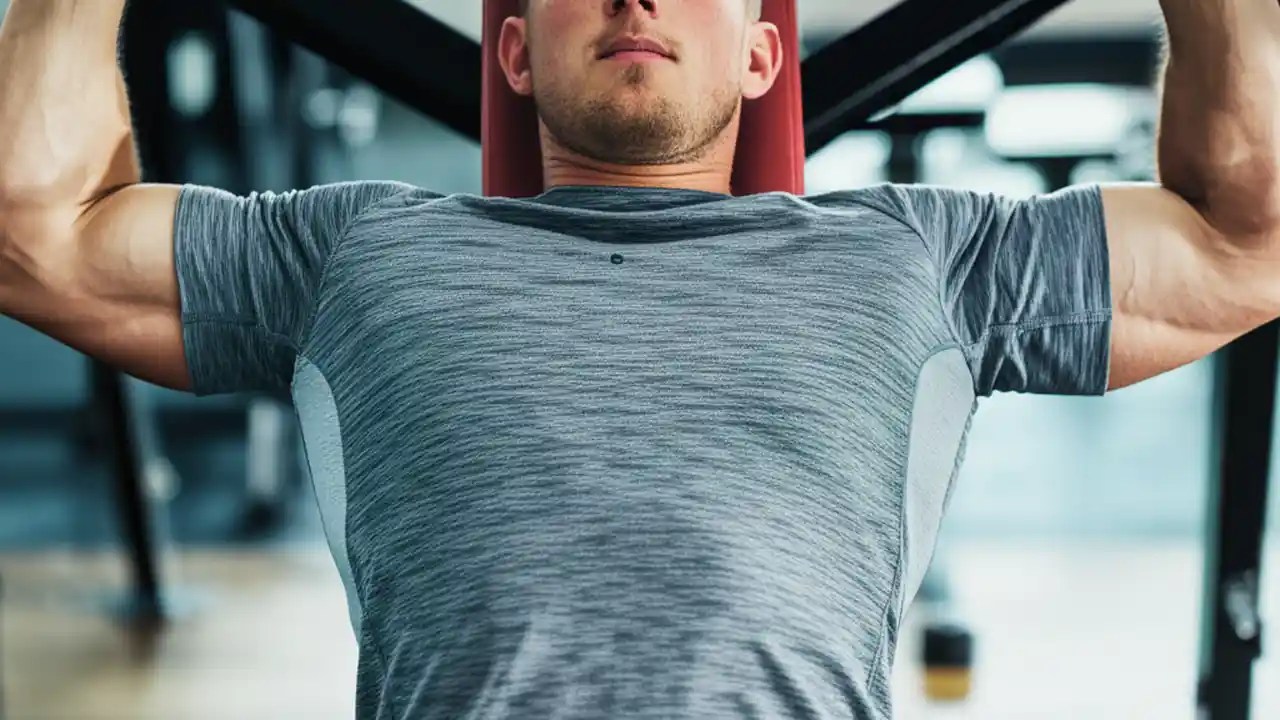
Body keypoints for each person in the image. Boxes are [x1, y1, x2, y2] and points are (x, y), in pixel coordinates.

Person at [0, 0, 1276, 717]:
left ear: (763, 54)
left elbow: (1248, 233)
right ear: (512, 52)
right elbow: (31, 232)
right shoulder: (354, 251)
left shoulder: (916, 256)